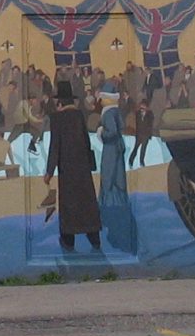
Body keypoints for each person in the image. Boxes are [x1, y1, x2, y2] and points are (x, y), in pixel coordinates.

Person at [44, 80, 101, 252]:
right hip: (82, 167)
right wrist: (90, 164)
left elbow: (55, 146)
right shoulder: (79, 116)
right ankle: (94, 238)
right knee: (87, 202)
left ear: (59, 101)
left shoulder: (56, 119)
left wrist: (49, 171)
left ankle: (68, 241)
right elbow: (86, 140)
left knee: (69, 204)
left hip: (67, 168)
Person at [96, 85, 139, 254]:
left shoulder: (107, 113)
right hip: (118, 148)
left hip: (110, 150)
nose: (100, 100)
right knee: (118, 177)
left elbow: (112, 131)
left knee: (108, 176)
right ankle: (118, 204)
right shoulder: (116, 111)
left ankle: (108, 208)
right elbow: (120, 127)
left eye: (102, 97)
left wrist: (101, 133)